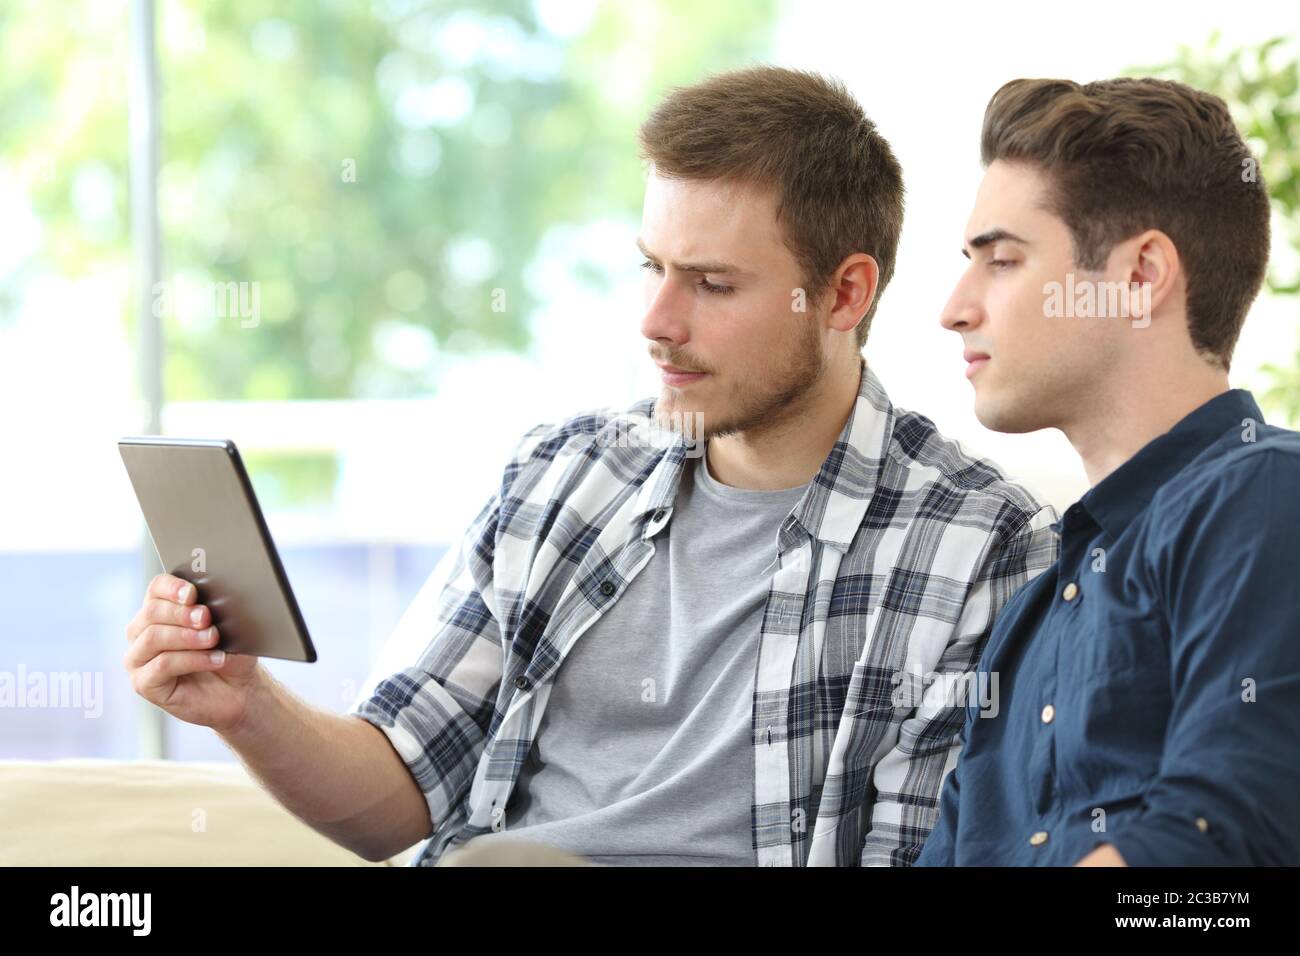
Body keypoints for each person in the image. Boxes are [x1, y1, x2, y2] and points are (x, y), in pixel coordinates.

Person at [124, 66, 1056, 867]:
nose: (656, 320)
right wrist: (245, 704)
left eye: (712, 284)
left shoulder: (978, 548)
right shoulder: (559, 476)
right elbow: (394, 793)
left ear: (845, 292)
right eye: (650, 266)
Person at [917, 76, 1300, 866]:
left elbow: (1219, 851)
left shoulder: (1265, 495)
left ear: (1139, 276)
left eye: (1002, 261)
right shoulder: (1028, 618)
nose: (954, 307)